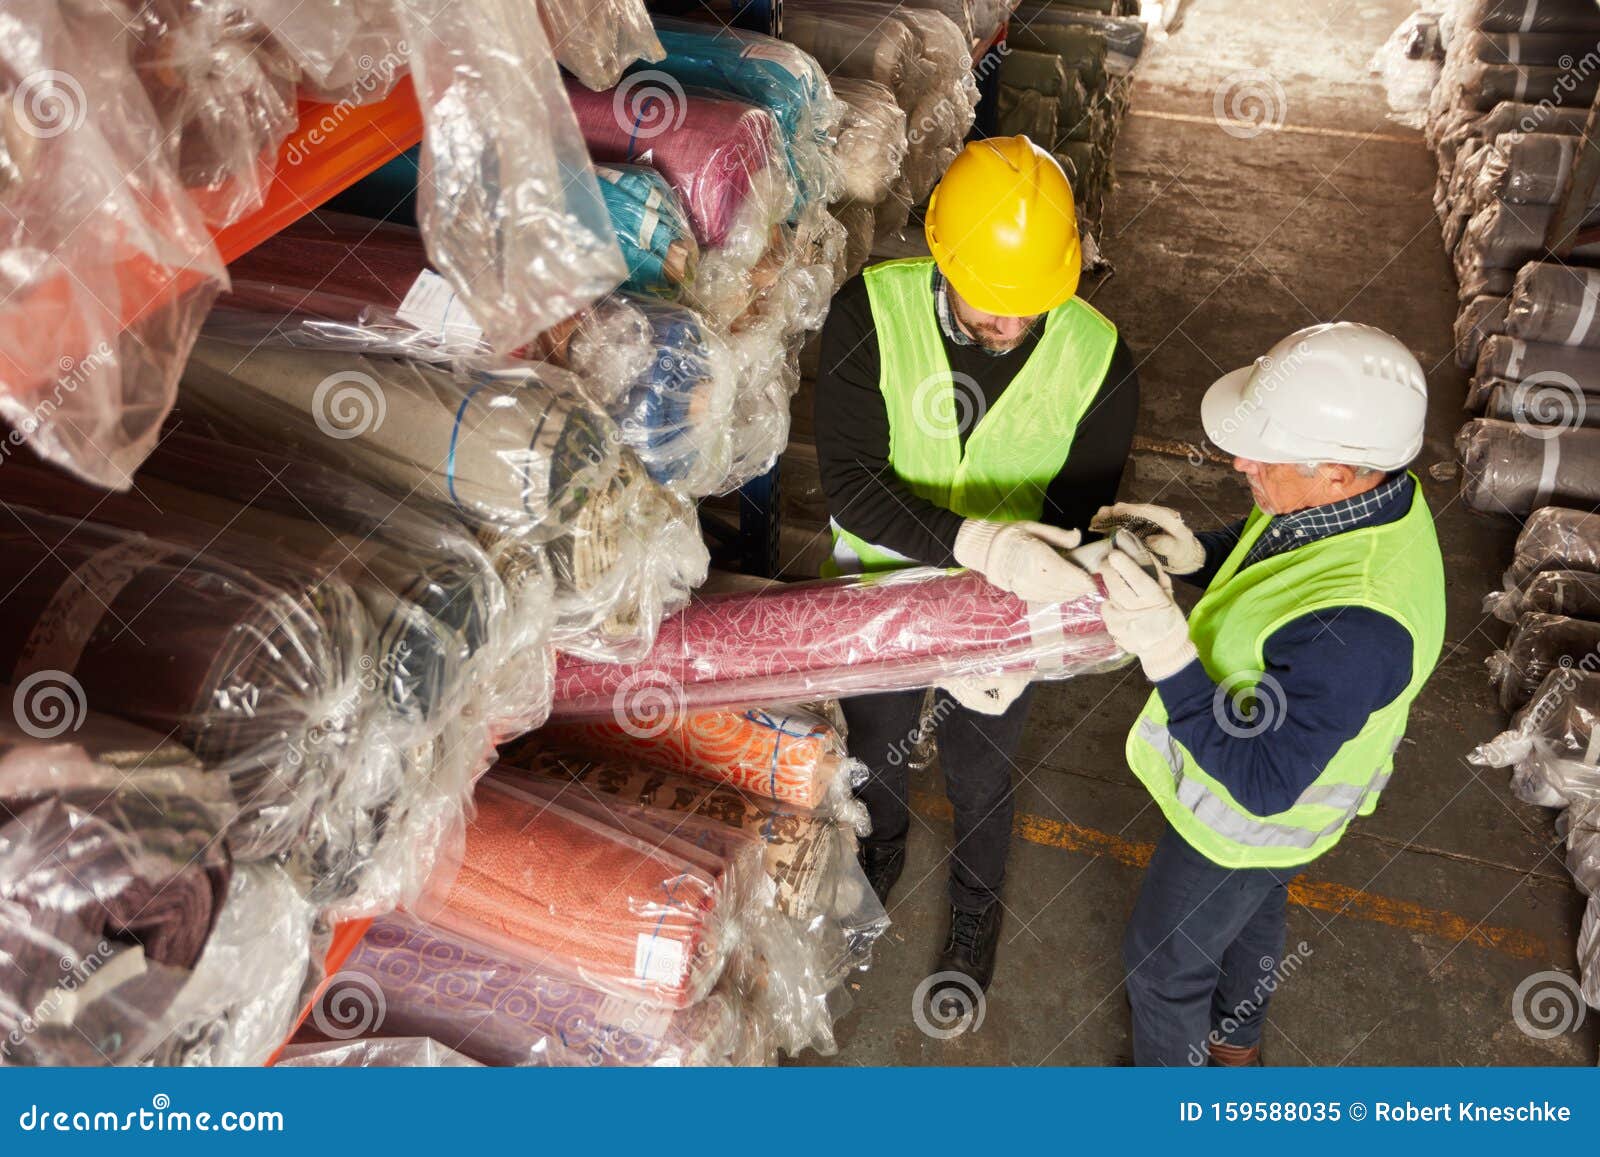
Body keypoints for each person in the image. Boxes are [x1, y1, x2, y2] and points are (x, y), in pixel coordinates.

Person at [813, 135, 1139, 992]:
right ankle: (880, 847)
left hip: (1007, 607)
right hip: (885, 583)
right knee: (876, 739)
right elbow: (851, 485)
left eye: (1028, 308)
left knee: (982, 762)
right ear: (940, 253)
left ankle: (977, 896)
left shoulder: (1095, 358)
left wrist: (1044, 588)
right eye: (990, 304)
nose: (1010, 326)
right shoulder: (867, 316)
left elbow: (1077, 519)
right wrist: (976, 542)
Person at [1093, 322, 1445, 1066]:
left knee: (1162, 968)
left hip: (1243, 817)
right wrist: (1200, 554)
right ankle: (1235, 1043)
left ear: (1341, 472)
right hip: (1285, 829)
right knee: (1254, 911)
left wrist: (1165, 647)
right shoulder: (1359, 500)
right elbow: (1274, 551)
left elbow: (1261, 782)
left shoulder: (1362, 624)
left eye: (1265, 453)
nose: (1239, 459)